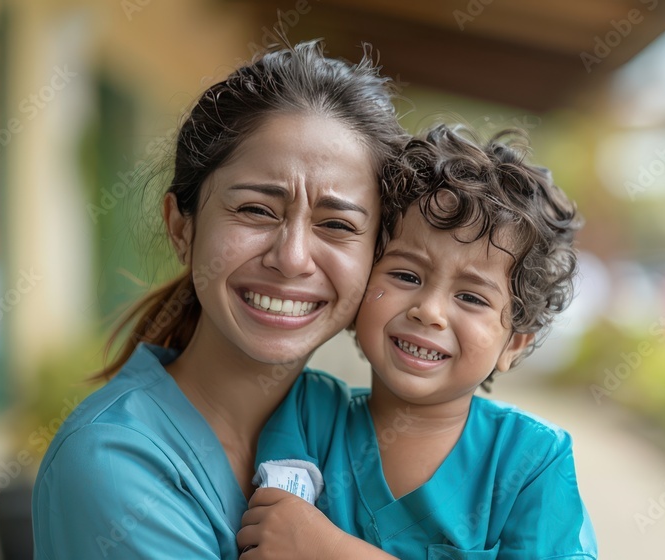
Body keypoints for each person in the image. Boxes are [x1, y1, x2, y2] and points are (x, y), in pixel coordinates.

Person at [31, 40, 413, 559]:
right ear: (180, 227)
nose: (293, 257)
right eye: (256, 210)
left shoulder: (350, 431)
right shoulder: (114, 462)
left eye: (337, 224)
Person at [239, 124, 598, 559]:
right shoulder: (307, 415)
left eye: (470, 297)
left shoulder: (531, 460)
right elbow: (269, 534)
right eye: (406, 276)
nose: (428, 310)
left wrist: (330, 549)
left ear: (514, 344)